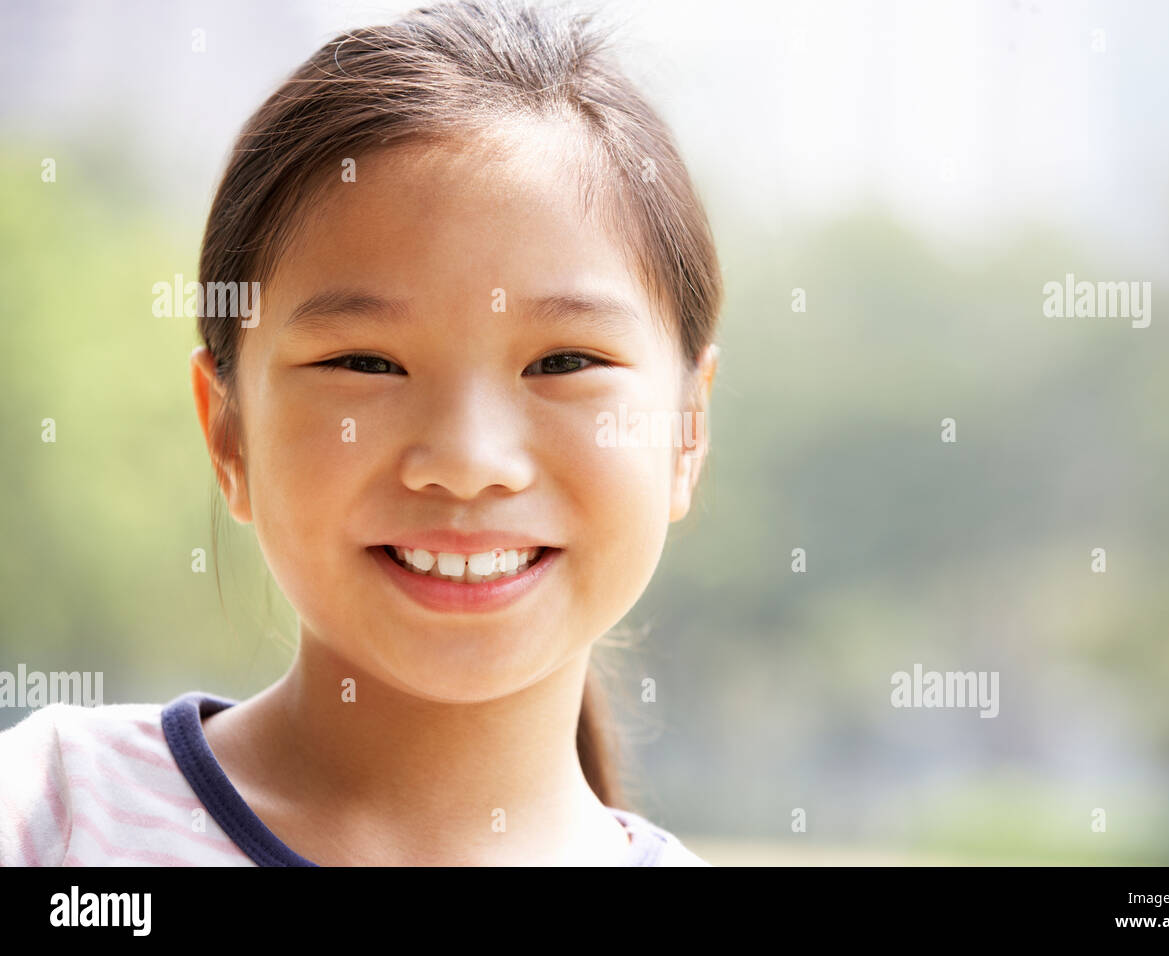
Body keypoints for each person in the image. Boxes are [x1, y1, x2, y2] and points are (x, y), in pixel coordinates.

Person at [0, 0, 722, 866]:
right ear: (228, 436)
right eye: (366, 365)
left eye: (564, 362)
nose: (466, 463)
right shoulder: (55, 813)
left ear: (687, 430)